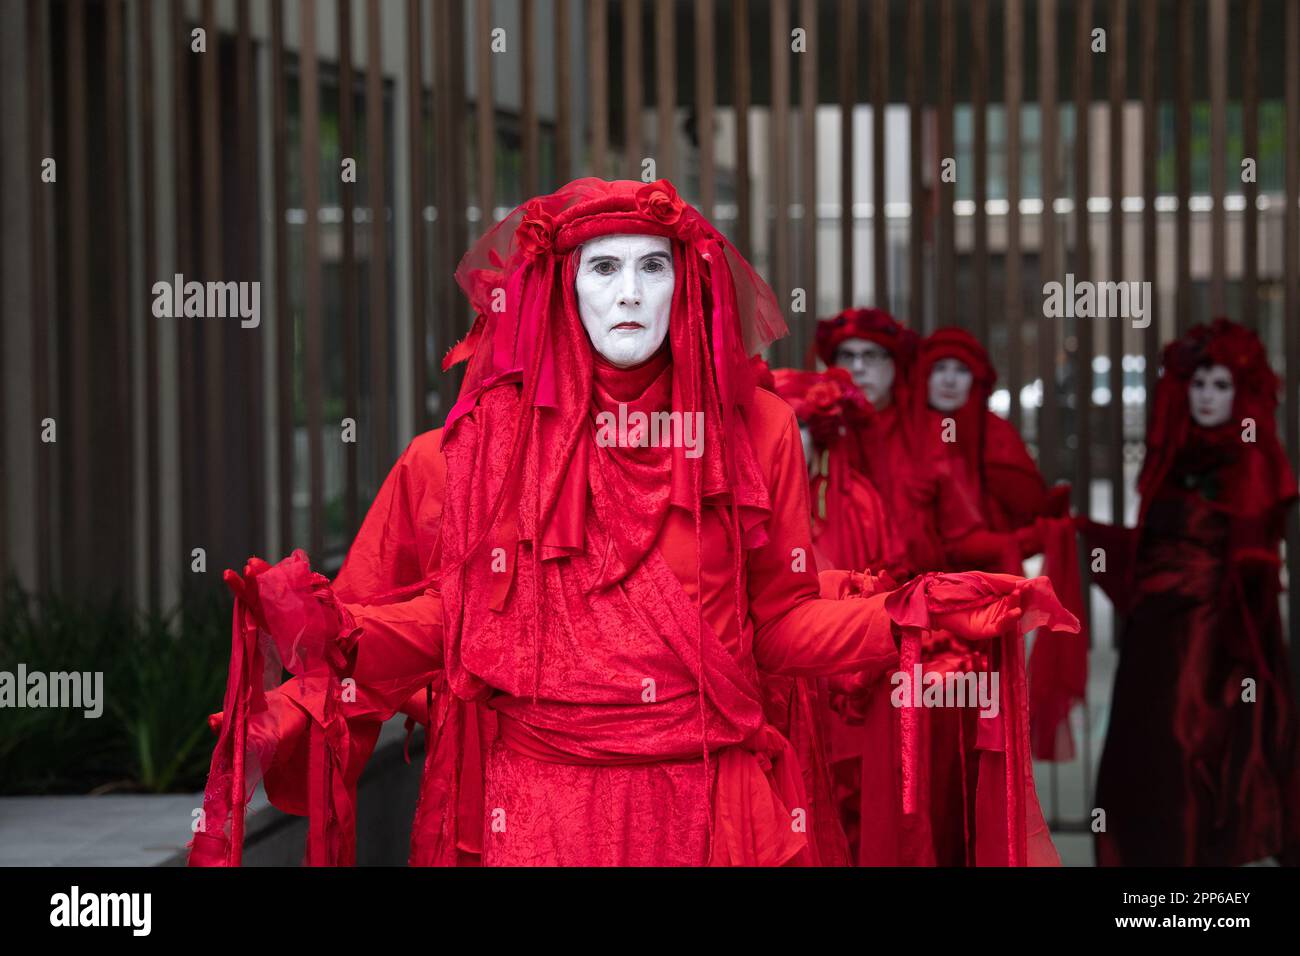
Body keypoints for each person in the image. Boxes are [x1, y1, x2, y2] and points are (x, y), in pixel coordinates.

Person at [188, 179, 1069, 867]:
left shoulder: (757, 430)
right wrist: (329, 638)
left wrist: (914, 618)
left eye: (653, 266)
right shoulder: (474, 446)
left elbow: (781, 623)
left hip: (710, 804)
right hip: (536, 809)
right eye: (602, 267)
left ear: (686, 282)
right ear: (560, 285)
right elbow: (457, 626)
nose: (630, 294)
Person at [1085, 318, 1300, 866]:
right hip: (1152, 634)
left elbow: (1255, 557)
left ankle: (1191, 889)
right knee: (1142, 752)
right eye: (1199, 383)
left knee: (1189, 749)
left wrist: (1237, 646)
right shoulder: (1171, 454)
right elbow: (1148, 544)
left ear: (1243, 392)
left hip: (1211, 635)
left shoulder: (1254, 459)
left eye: (1221, 385)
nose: (1206, 396)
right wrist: (1084, 534)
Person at [909, 327, 1087, 762]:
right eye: (940, 369)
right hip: (916, 603)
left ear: (978, 380)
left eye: (960, 370)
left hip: (986, 603)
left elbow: (1021, 512)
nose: (950, 380)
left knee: (981, 734)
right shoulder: (906, 437)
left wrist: (1030, 536)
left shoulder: (996, 436)